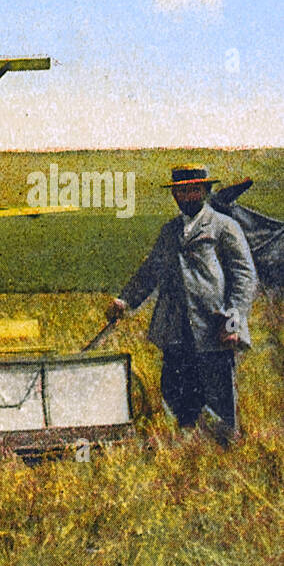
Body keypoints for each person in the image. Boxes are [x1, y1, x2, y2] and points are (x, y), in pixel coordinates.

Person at [107, 165, 257, 445]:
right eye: (181, 190)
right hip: (175, 330)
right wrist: (125, 300)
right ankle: (183, 459)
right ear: (174, 194)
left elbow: (244, 276)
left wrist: (233, 322)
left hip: (214, 328)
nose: (186, 195)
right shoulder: (170, 231)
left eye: (193, 189)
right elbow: (151, 270)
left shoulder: (224, 227)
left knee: (218, 401)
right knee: (176, 399)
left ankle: (223, 458)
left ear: (205, 191)